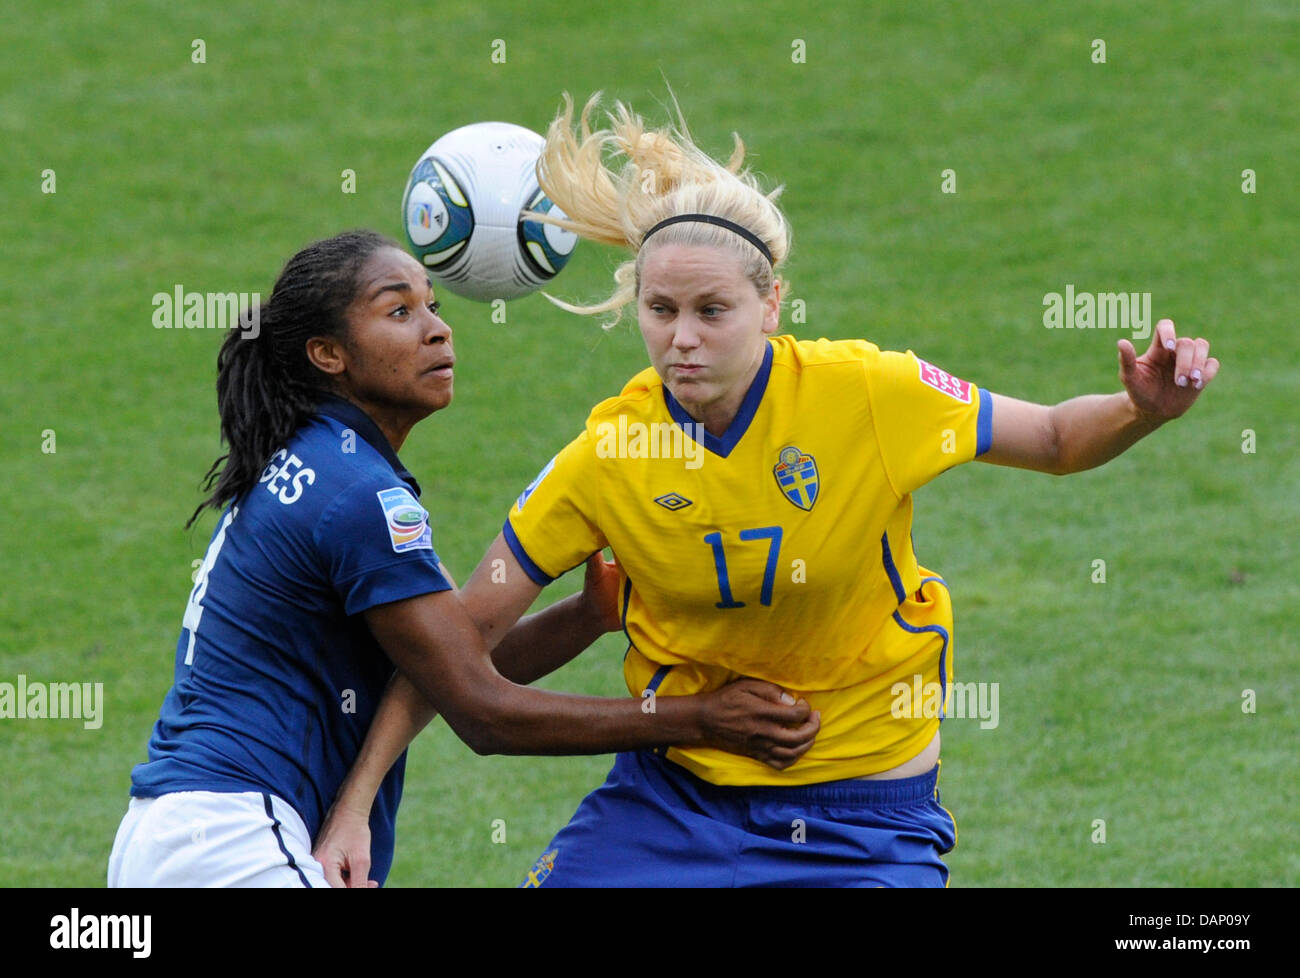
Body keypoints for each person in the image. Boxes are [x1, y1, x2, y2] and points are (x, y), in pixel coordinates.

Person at [314, 94, 1219, 888]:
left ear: (772, 305)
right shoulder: (611, 452)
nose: (683, 341)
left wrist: (1142, 410)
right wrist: (354, 805)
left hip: (865, 813)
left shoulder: (871, 394)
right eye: (661, 312)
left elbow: (1057, 439)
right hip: (672, 800)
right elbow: (461, 647)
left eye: (714, 311)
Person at [108, 229, 819, 888]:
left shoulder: (322, 466)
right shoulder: (356, 494)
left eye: (433, 305)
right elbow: (483, 714)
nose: (438, 328)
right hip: (235, 841)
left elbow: (453, 672)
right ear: (329, 354)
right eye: (398, 313)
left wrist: (588, 614)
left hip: (179, 834)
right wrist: (700, 718)